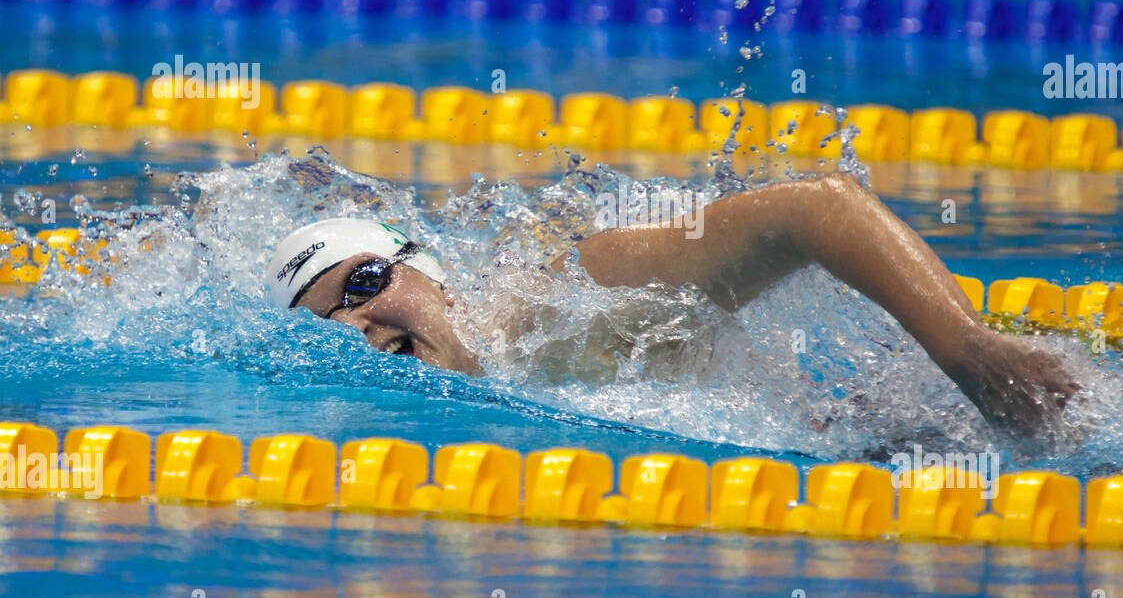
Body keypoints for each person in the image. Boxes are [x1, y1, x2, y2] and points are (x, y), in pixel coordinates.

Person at [266, 173, 1079, 437]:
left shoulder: (569, 291)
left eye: (366, 282)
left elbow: (816, 209)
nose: (360, 322)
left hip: (952, 425)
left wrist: (970, 351)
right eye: (330, 320)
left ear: (432, 272)